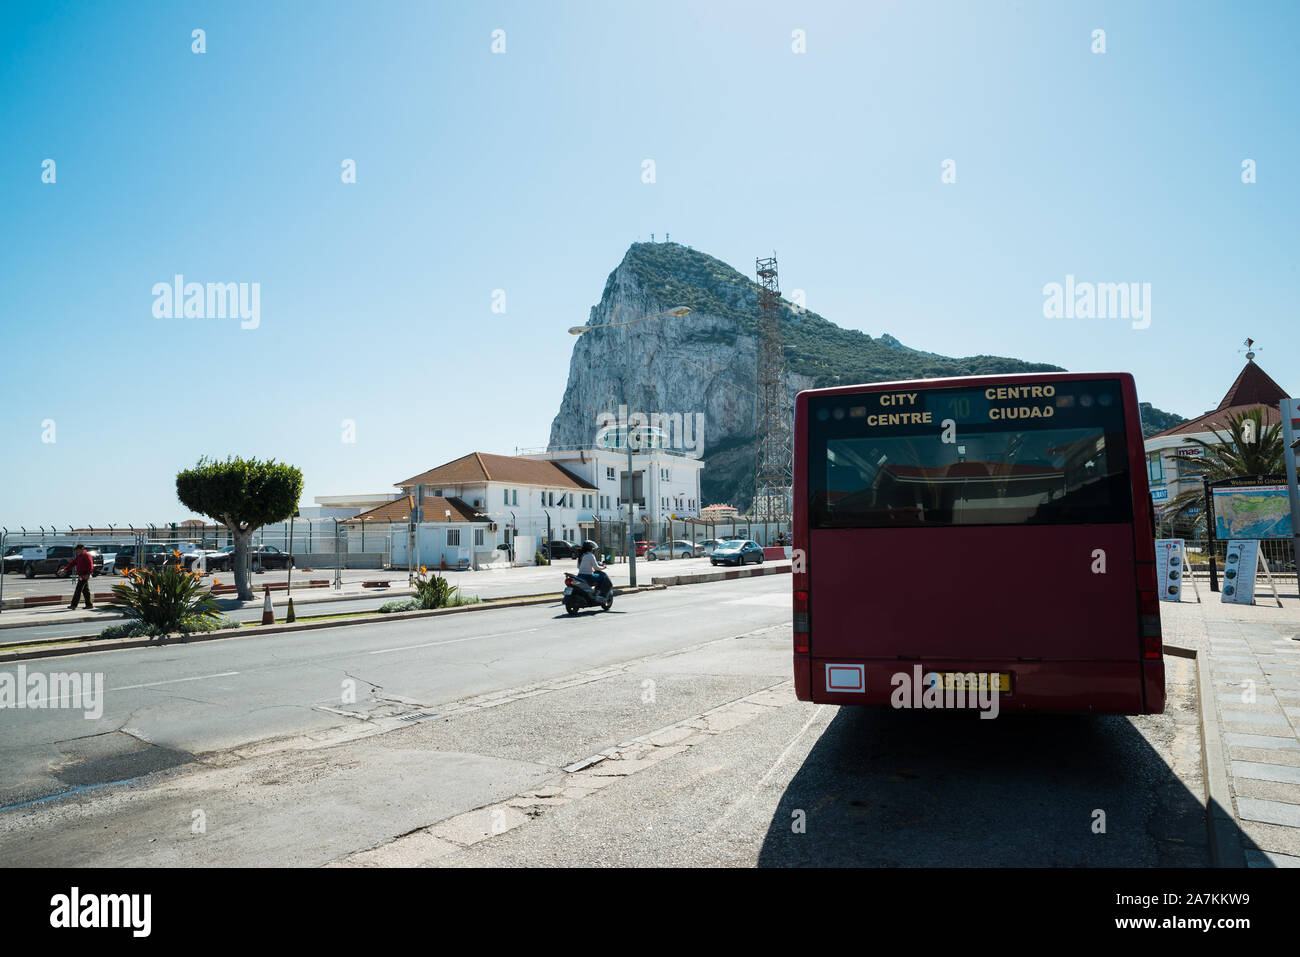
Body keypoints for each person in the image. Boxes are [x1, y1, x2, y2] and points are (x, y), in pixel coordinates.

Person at [67, 544, 95, 610]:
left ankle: (73, 605)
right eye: (76, 550)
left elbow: (90, 566)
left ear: (82, 549)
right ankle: (89, 605)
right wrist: (65, 569)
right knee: (85, 591)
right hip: (81, 575)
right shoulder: (79, 556)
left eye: (77, 550)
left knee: (78, 590)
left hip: (84, 575)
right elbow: (73, 563)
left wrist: (88, 574)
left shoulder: (87, 555)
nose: (76, 551)